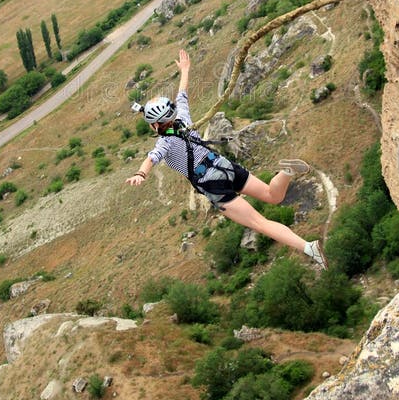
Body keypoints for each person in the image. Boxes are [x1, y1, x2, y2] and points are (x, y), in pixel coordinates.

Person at [126, 49, 328, 270]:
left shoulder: (164, 142)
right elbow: (181, 93)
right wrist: (185, 69)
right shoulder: (183, 116)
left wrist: (140, 174)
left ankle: (309, 248)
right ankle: (286, 173)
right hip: (223, 165)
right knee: (273, 196)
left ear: (155, 125)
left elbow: (151, 159)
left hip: (211, 182)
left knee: (259, 223)